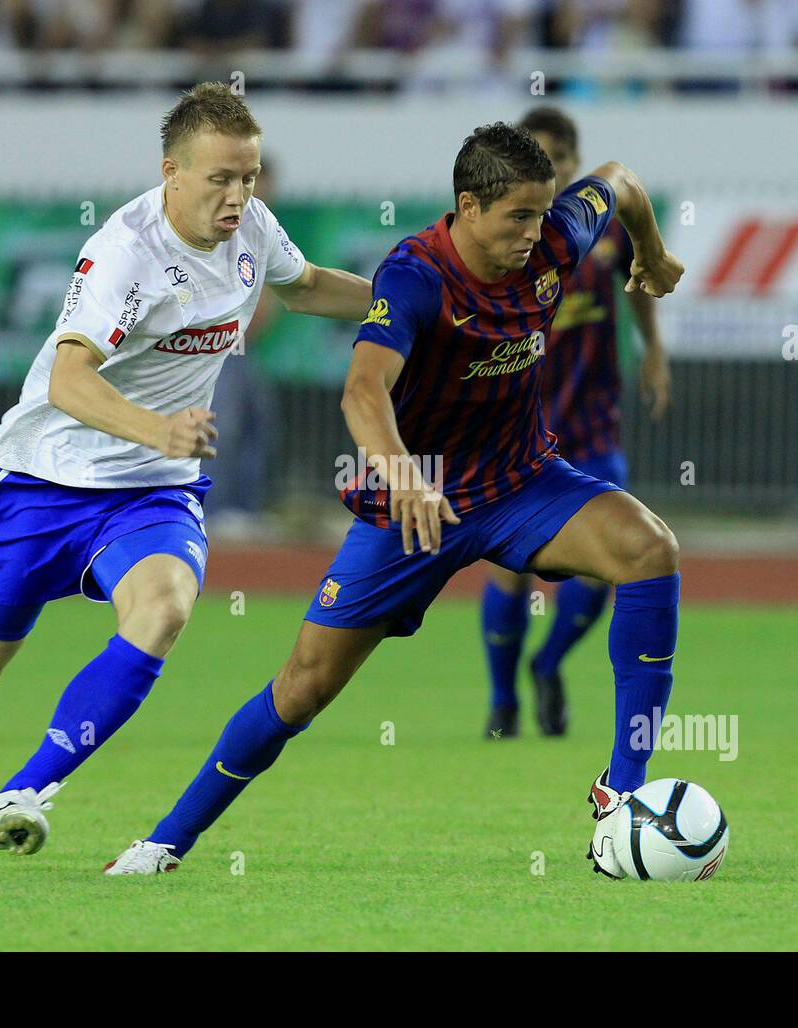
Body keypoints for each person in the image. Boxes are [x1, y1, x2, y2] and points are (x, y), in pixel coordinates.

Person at [103, 122, 685, 878]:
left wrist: (653, 251)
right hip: (413, 507)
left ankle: (624, 797)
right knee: (302, 687)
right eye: (518, 217)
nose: (535, 233)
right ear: (468, 207)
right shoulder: (415, 275)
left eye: (543, 214)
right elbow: (362, 389)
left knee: (651, 549)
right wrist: (406, 475)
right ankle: (163, 842)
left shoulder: (555, 242)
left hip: (521, 482)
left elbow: (622, 181)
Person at [0, 83, 372, 856]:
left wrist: (406, 310)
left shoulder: (251, 227)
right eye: (221, 179)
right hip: (46, 478)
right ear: (171, 171)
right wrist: (161, 428)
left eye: (248, 177)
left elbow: (303, 285)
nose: (239, 195)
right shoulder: (125, 253)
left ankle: (30, 786)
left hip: (151, 490)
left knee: (165, 607)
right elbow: (67, 380)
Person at [480, 106, 670, 739]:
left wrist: (653, 350)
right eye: (538, 156)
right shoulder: (503, 235)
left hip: (592, 427)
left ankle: (548, 661)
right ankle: (503, 703)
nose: (553, 167)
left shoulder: (599, 231)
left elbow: (640, 282)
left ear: (573, 161)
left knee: (609, 561)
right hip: (517, 432)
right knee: (508, 567)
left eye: (560, 157)